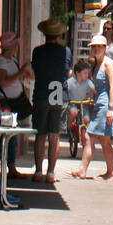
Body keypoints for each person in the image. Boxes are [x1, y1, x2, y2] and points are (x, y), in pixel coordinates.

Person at [71, 35, 113, 182]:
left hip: (105, 106)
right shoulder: (97, 63)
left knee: (90, 137)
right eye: (93, 46)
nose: (96, 49)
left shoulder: (108, 63)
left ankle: (85, 170)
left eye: (99, 46)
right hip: (99, 105)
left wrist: (110, 108)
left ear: (105, 48)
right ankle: (105, 172)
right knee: (100, 140)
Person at [31, 18, 70, 185]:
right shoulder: (65, 51)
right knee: (54, 135)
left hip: (41, 93)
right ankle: (51, 173)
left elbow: (35, 71)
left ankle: (38, 171)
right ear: (59, 34)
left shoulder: (37, 51)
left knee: (40, 134)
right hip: (58, 93)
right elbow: (67, 72)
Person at [0, 31, 33, 178]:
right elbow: (3, 81)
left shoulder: (11, 60)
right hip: (5, 103)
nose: (17, 48)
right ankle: (10, 167)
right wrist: (20, 73)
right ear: (11, 47)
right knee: (9, 135)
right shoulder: (1, 62)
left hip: (11, 102)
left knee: (11, 134)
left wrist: (23, 75)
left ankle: (11, 166)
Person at [66, 60, 95, 138]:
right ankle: (68, 128)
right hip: (73, 103)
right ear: (78, 73)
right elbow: (65, 90)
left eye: (87, 73)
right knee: (73, 112)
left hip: (83, 103)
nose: (87, 75)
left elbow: (94, 90)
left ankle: (84, 133)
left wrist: (94, 97)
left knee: (86, 119)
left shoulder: (88, 82)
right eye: (85, 73)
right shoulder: (70, 82)